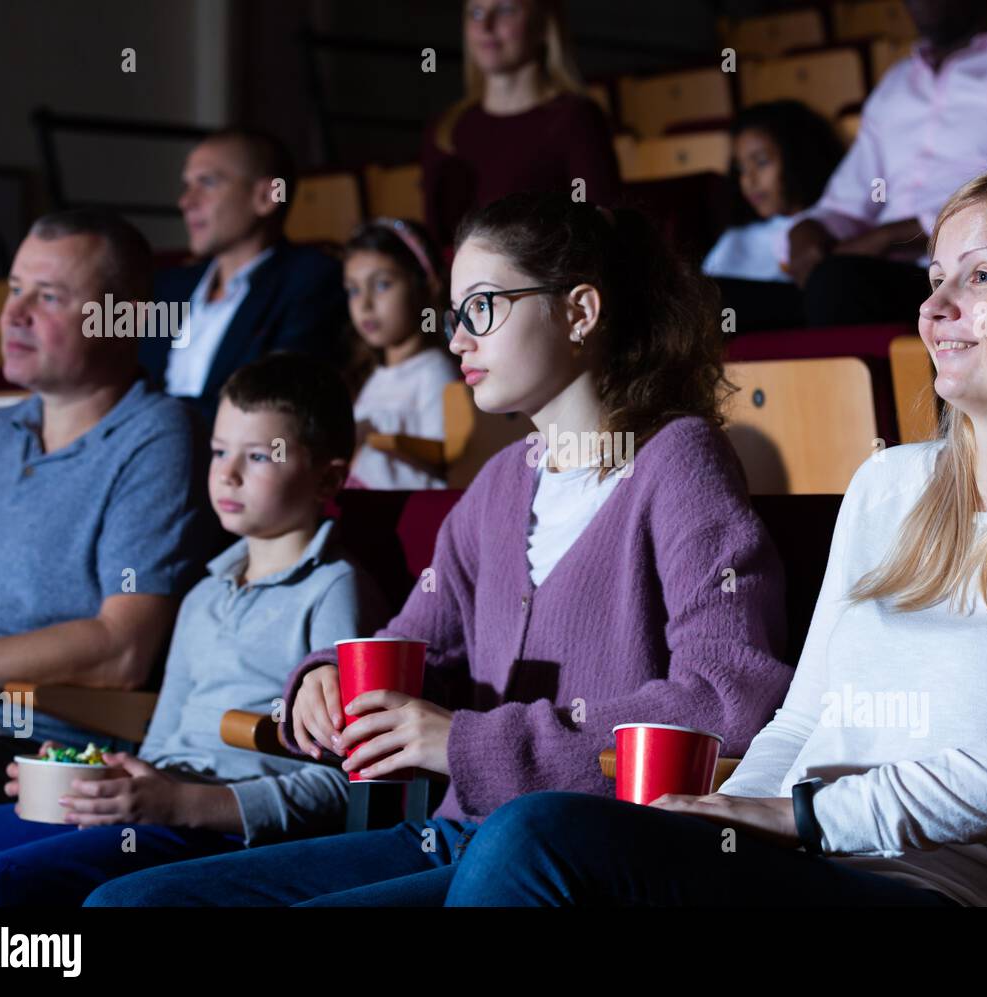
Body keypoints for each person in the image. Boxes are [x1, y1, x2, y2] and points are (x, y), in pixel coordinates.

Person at [440, 165, 987, 907]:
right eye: (934, 278)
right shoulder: (886, 485)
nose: (935, 307)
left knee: (533, 837)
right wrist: (721, 822)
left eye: (981, 276)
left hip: (945, 889)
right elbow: (802, 720)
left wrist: (804, 818)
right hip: (799, 865)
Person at [84, 191, 793, 907]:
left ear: (580, 311)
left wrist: (464, 742)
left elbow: (726, 697)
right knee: (129, 904)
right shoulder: (497, 485)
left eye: (483, 307)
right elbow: (413, 643)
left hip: (582, 855)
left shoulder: (679, 461)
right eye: (457, 316)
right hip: (455, 837)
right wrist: (326, 677)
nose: (458, 340)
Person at [0, 352, 389, 905]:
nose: (228, 473)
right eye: (219, 451)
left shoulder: (335, 589)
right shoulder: (203, 594)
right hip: (158, 801)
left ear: (329, 477)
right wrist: (100, 772)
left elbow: (348, 786)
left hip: (220, 825)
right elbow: (162, 744)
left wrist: (179, 801)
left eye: (260, 456)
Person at [0, 209, 211, 820]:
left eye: (48, 296)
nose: (14, 313)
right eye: (14, 290)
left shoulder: (157, 435)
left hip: (27, 744)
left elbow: (121, 649)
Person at [785, 0, 987, 328]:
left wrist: (890, 237)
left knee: (837, 283)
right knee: (737, 296)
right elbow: (846, 204)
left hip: (978, 282)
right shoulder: (896, 83)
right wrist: (809, 228)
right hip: (864, 274)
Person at [143, 128, 347, 426]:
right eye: (187, 185)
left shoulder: (311, 280)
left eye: (207, 182)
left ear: (266, 196)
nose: (186, 201)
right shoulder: (169, 285)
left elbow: (272, 404)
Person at [421, 0, 621, 249]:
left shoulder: (575, 118)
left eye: (505, 10)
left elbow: (598, 225)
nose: (485, 26)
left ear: (542, 26)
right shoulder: (445, 132)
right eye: (475, 12)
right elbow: (437, 244)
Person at [702, 101, 844, 333]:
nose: (749, 179)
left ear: (800, 157)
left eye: (761, 162)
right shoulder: (735, 238)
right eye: (741, 168)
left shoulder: (832, 224)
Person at [342, 218, 460, 489]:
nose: (365, 305)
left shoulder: (434, 372)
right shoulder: (373, 377)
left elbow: (447, 477)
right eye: (354, 290)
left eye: (382, 285)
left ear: (426, 285)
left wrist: (362, 453)